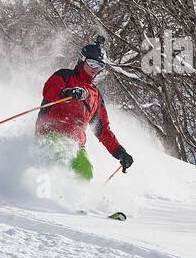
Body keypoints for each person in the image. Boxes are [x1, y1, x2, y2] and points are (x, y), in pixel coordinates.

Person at [35, 36, 134, 181]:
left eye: (99, 66)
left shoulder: (96, 96)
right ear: (82, 60)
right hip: (50, 132)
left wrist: (120, 153)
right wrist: (68, 92)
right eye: (92, 63)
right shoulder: (65, 76)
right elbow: (49, 91)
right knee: (59, 158)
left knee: (86, 170)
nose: (95, 69)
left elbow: (103, 130)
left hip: (75, 142)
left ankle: (75, 200)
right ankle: (43, 194)